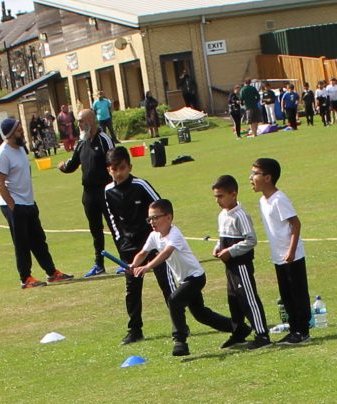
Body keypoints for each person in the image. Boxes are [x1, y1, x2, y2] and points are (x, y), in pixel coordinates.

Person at [126, 198, 245, 358]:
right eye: (150, 218)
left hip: (195, 277)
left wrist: (147, 267)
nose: (152, 222)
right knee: (201, 314)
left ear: (168, 217)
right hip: (184, 280)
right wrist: (133, 265)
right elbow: (142, 253)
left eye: (155, 217)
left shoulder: (174, 234)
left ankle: (180, 341)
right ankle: (239, 328)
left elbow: (166, 253)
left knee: (174, 301)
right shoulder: (154, 236)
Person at [0, 117, 67, 288]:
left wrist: (29, 202)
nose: (22, 133)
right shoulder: (3, 153)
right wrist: (14, 207)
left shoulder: (20, 149)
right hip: (14, 205)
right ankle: (25, 278)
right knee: (22, 243)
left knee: (39, 239)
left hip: (28, 202)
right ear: (11, 134)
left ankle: (51, 272)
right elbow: (0, 183)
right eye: (19, 130)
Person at [104, 148, 164, 344]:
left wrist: (158, 235)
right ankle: (135, 330)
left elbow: (160, 207)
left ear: (130, 166)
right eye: (115, 169)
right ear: (109, 170)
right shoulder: (108, 191)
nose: (119, 173)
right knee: (132, 290)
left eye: (122, 168)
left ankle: (180, 326)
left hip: (152, 244)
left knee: (167, 284)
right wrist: (121, 242)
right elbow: (113, 220)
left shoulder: (141, 185)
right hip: (129, 248)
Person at [208, 175, 271, 349]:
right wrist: (218, 247)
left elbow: (250, 240)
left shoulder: (241, 215)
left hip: (241, 265)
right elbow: (224, 237)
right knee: (233, 300)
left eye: (220, 196)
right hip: (229, 267)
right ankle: (238, 332)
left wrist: (230, 251)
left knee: (248, 299)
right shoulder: (222, 215)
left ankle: (262, 334)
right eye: (215, 197)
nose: (217, 200)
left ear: (233, 194)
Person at [253, 157, 311, 344]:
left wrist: (292, 250)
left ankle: (302, 331)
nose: (251, 177)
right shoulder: (264, 200)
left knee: (297, 294)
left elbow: (295, 223)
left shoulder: (279, 199)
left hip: (291, 256)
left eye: (255, 173)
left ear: (268, 177)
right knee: (286, 296)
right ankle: (294, 329)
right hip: (279, 256)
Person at [58, 123, 122, 276]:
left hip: (105, 191)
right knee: (95, 230)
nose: (78, 125)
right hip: (89, 194)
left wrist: (117, 186)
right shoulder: (81, 143)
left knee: (115, 227)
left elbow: (114, 160)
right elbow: (73, 163)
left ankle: (125, 260)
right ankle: (99, 264)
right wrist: (63, 167)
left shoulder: (103, 139)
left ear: (90, 121)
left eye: (81, 122)